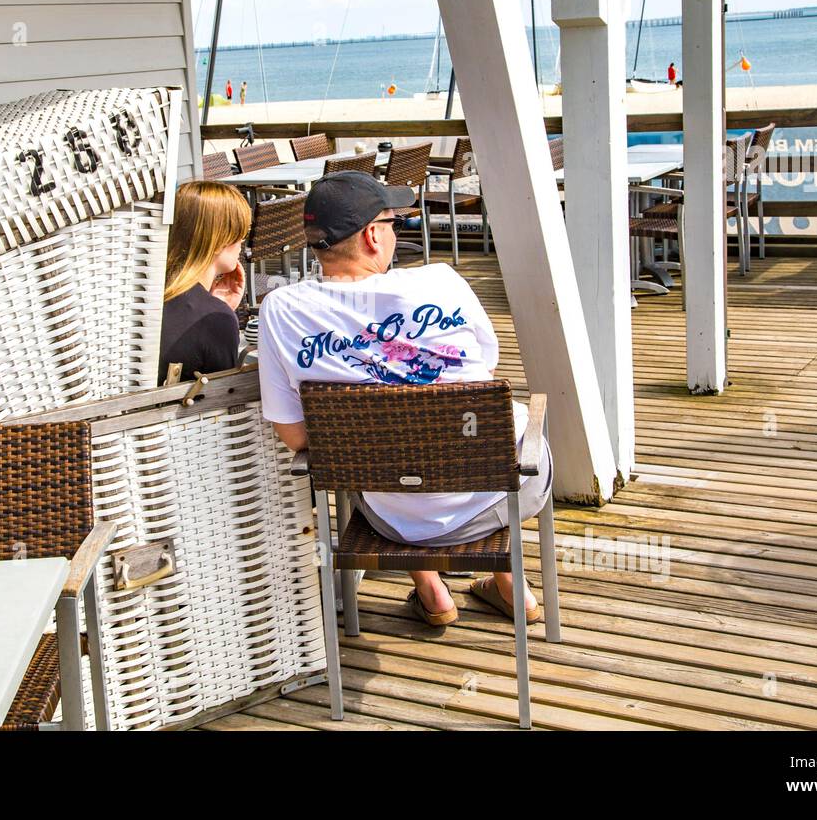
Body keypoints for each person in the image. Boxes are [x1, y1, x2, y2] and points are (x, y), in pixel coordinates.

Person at [256, 171, 554, 627]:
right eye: (395, 223)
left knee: (389, 457)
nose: (397, 233)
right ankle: (514, 588)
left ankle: (432, 592)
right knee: (478, 428)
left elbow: (296, 437)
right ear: (373, 236)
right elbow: (484, 371)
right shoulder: (442, 282)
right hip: (501, 490)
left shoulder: (281, 310)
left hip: (392, 518)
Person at [158, 181, 250, 383]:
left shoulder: (151, 293)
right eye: (240, 235)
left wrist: (216, 305)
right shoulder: (213, 319)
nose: (242, 243)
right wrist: (219, 313)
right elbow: (224, 400)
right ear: (219, 241)